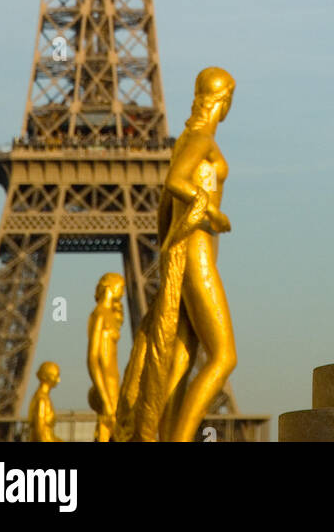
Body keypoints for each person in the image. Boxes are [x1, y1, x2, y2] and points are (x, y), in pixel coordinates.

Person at [115, 67, 237, 441]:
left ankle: (158, 434)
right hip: (196, 256)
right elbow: (176, 182)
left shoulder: (192, 136)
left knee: (178, 359)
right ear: (223, 99)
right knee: (224, 357)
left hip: (189, 255)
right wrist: (211, 212)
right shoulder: (200, 138)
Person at [86, 271, 125, 441]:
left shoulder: (108, 314)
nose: (123, 292)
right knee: (109, 428)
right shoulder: (99, 314)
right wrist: (104, 396)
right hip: (106, 385)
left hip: (114, 382)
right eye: (121, 287)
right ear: (110, 286)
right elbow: (92, 358)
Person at [27, 360, 63, 442]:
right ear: (47, 377)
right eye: (56, 376)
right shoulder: (42, 399)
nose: (58, 380)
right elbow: (40, 430)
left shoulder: (41, 397)